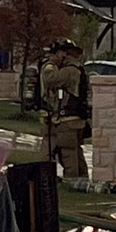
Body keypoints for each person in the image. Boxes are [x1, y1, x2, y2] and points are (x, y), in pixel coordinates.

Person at [41, 38, 90, 178]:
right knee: (73, 152)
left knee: (68, 154)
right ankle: (81, 178)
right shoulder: (76, 69)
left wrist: (50, 63)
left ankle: (72, 180)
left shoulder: (70, 71)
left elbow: (49, 79)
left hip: (67, 120)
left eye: (57, 54)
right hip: (69, 120)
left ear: (65, 54)